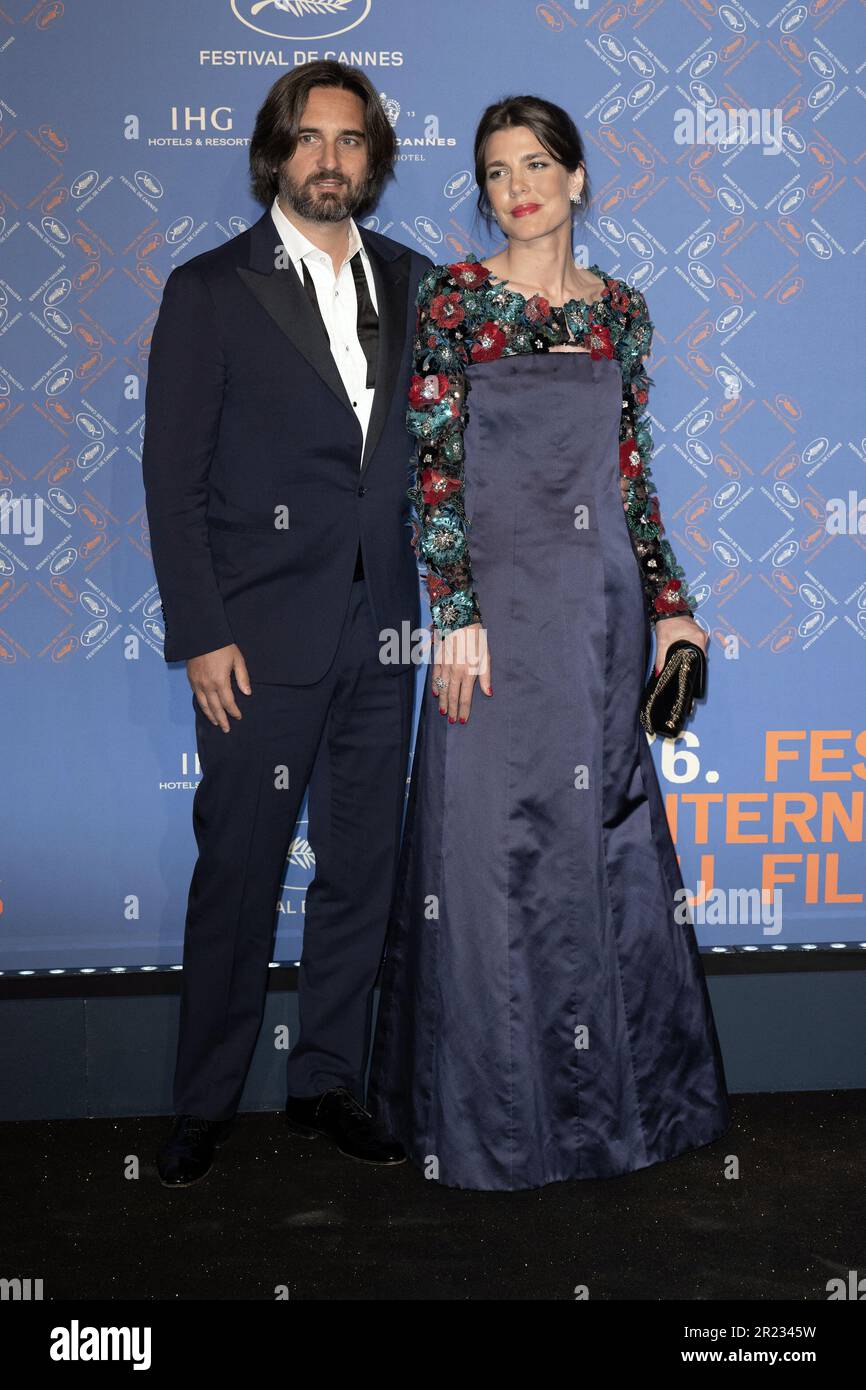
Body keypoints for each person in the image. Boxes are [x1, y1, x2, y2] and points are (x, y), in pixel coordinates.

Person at [366, 95, 731, 1191]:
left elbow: (629, 476)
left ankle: (611, 1116)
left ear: (576, 178)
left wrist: (669, 601)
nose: (514, 185)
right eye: (493, 171)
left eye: (534, 163)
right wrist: (455, 610)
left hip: (597, 612)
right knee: (481, 852)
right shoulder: (454, 302)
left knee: (597, 844)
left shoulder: (621, 311)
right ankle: (494, 1121)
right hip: (496, 609)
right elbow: (430, 470)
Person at [142, 61, 432, 1186]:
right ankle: (203, 1101)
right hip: (257, 640)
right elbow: (173, 482)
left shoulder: (412, 282)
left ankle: (324, 1081)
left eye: (350, 141)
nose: (330, 158)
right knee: (242, 870)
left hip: (383, 630)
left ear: (372, 159)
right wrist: (201, 632)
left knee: (360, 869)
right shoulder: (209, 289)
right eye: (309, 139)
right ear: (276, 152)